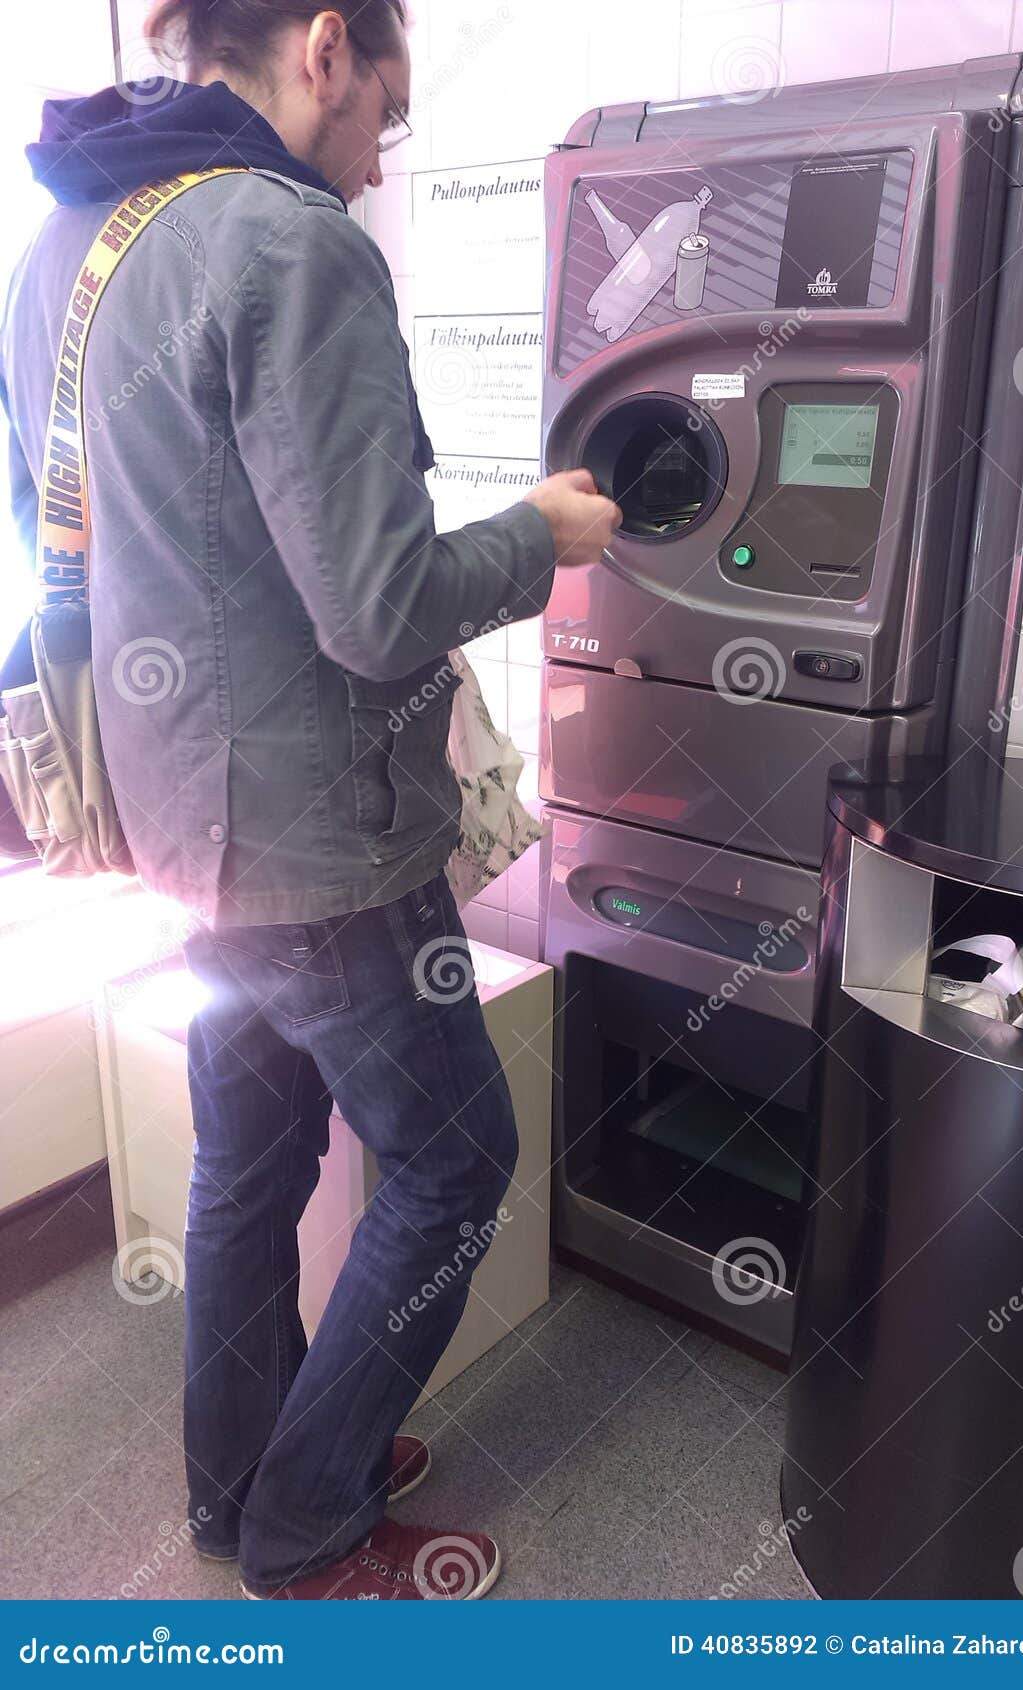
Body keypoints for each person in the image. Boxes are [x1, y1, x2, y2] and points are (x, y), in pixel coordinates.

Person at [0, 0, 619, 1600]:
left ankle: (237, 1480)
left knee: (249, 1160)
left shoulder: (73, 239)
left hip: (176, 829)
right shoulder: (291, 245)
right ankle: (308, 1519)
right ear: (325, 46)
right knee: (454, 1160)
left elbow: (76, 534)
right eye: (384, 116)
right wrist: (539, 536)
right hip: (322, 840)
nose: (371, 162)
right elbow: (377, 603)